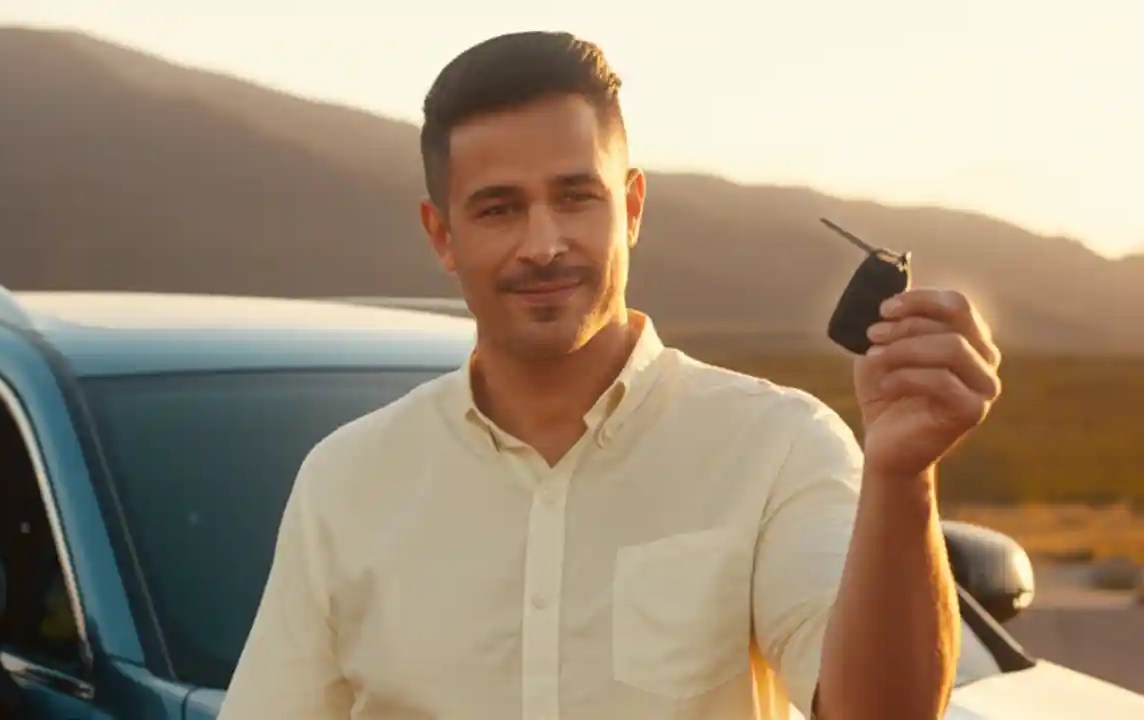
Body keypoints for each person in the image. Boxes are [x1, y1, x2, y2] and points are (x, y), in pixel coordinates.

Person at [219, 31, 1003, 720]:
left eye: (576, 197)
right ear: (443, 235)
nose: (543, 244)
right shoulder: (346, 483)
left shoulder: (779, 447)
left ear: (630, 208)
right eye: (498, 209)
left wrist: (903, 476)